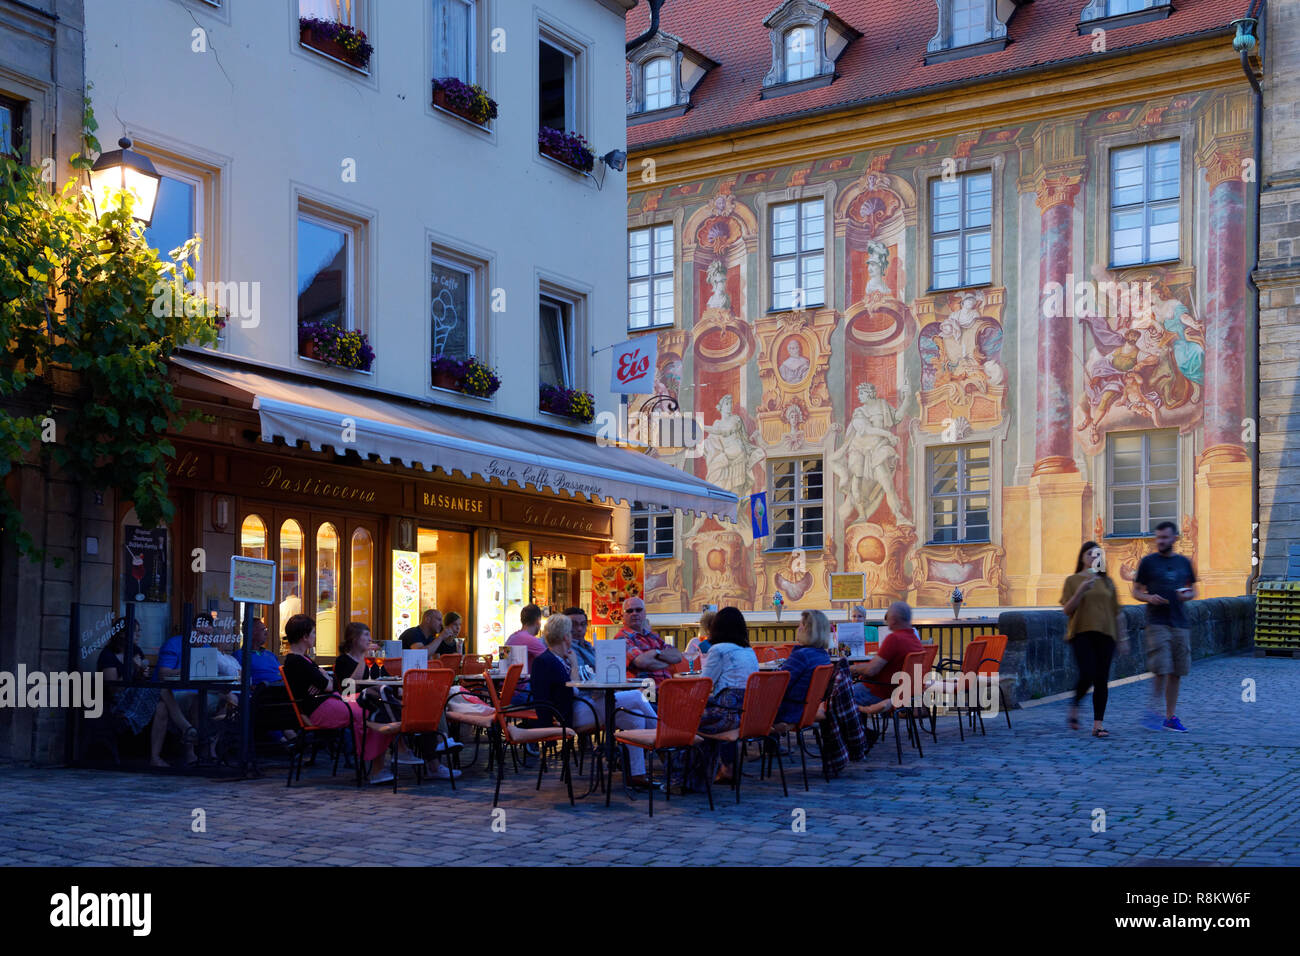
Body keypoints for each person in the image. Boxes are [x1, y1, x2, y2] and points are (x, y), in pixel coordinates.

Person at [530, 614, 657, 788]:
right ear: (566, 637)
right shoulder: (545, 661)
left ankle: (637, 774)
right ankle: (662, 741)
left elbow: (574, 687)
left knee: (636, 718)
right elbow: (562, 693)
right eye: (570, 632)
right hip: (570, 714)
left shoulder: (561, 658)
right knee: (636, 696)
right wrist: (575, 667)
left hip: (583, 706)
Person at [281, 613, 402, 784]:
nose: (316, 636)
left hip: (330, 701)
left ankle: (382, 757)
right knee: (373, 710)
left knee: (377, 702)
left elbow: (327, 682)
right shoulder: (297, 661)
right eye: (314, 633)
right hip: (321, 708)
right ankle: (380, 763)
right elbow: (332, 685)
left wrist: (322, 677)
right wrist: (323, 678)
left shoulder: (304, 659)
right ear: (305, 636)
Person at [1133, 521, 1197, 732]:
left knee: (1176, 672)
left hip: (1180, 622)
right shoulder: (1148, 562)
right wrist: (1149, 598)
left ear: (1174, 538)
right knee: (1161, 668)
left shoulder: (1184, 562)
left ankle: (1170, 716)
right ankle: (1153, 711)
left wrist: (1187, 595)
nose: (1160, 541)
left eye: (1164, 538)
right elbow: (1136, 591)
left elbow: (1193, 590)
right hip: (1157, 622)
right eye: (1158, 537)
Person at [1060, 542, 1127, 738]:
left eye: (1098, 555)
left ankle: (1098, 725)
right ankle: (1075, 704)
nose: (1094, 557)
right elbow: (1067, 610)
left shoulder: (1108, 582)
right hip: (1081, 633)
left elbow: (1117, 612)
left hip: (1107, 634)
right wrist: (1081, 590)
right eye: (1090, 554)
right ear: (1082, 556)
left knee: (1101, 680)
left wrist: (1123, 638)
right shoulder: (1072, 580)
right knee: (1087, 673)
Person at [97, 619, 174, 768]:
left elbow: (142, 679)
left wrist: (141, 671)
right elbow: (113, 689)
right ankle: (187, 729)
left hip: (136, 695)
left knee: (162, 708)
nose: (138, 635)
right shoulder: (108, 655)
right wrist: (130, 666)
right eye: (135, 631)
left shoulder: (136, 650)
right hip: (119, 702)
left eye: (139, 631)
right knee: (162, 689)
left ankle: (155, 757)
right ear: (122, 634)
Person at [696, 606, 759, 784]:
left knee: (684, 719)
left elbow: (704, 683)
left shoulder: (718, 650)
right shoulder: (749, 651)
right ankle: (725, 767)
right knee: (712, 709)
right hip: (748, 716)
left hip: (727, 716)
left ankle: (689, 775)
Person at [849, 601, 922, 711]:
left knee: (838, 697)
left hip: (880, 691)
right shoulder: (915, 641)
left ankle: (853, 728)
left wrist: (851, 668)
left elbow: (871, 670)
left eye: (887, 616)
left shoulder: (894, 639)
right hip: (901, 690)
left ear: (893, 619)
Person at [775, 610, 833, 727]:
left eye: (800, 624)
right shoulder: (824, 656)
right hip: (808, 708)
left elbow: (779, 685)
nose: (798, 628)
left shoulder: (802, 655)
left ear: (807, 629)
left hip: (789, 711)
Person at [617, 597, 683, 687]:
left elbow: (678, 656)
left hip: (667, 689)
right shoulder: (621, 638)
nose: (634, 613)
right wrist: (668, 663)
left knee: (700, 696)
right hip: (645, 691)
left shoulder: (652, 636)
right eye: (629, 611)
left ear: (645, 613)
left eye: (638, 610)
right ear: (623, 615)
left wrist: (656, 653)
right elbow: (641, 661)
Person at [246, 618, 283, 686]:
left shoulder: (270, 655)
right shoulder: (241, 655)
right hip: (263, 692)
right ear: (252, 633)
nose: (266, 633)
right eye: (263, 630)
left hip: (282, 688)